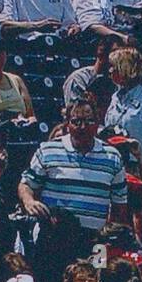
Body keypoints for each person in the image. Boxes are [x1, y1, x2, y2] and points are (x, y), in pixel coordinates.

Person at [19, 98, 130, 232]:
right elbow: (26, 184)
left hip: (93, 241)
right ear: (67, 124)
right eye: (76, 122)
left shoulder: (113, 157)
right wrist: (29, 201)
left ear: (97, 124)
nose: (83, 127)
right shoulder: (48, 151)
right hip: (53, 237)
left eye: (89, 121)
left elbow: (120, 206)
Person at [105, 46, 142, 165]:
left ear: (128, 68)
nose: (110, 71)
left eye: (114, 67)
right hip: (116, 164)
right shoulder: (115, 98)